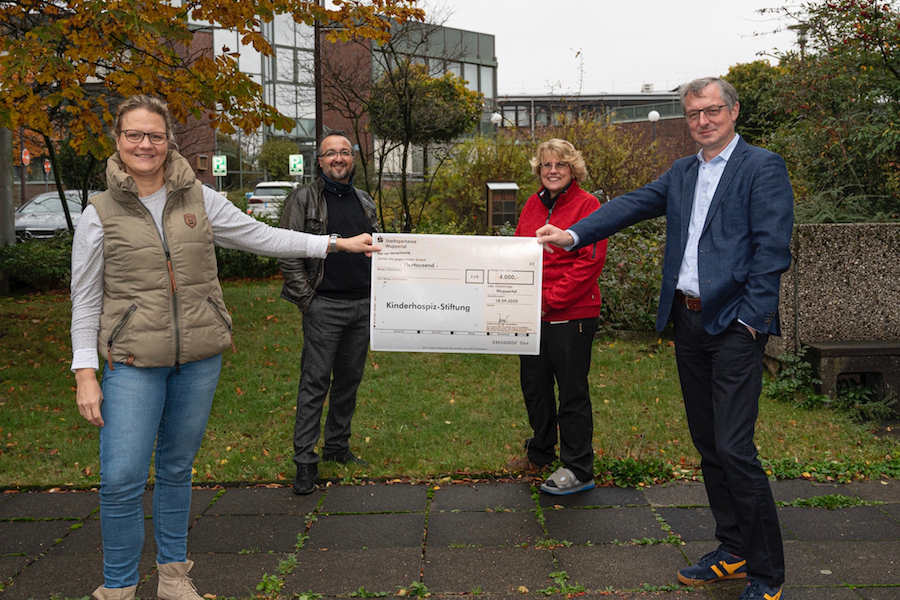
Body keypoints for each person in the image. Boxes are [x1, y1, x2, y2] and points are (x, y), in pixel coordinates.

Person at [71, 96, 378, 600]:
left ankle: (173, 578)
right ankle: (119, 588)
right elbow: (84, 300)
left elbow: (260, 236)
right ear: (119, 142)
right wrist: (86, 372)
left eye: (155, 135)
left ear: (169, 140)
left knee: (175, 469)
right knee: (122, 477)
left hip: (198, 359)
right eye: (134, 135)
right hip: (132, 363)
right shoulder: (98, 214)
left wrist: (332, 244)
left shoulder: (200, 199)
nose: (145, 145)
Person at [536, 78, 792, 600]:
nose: (703, 120)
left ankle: (766, 573)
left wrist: (752, 320)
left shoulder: (761, 167)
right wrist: (573, 234)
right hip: (689, 323)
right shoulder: (683, 171)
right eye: (694, 113)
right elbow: (630, 205)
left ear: (734, 111)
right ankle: (733, 549)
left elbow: (772, 251)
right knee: (708, 443)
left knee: (734, 447)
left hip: (735, 326)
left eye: (713, 110)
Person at [278, 132, 379, 495]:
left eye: (345, 153)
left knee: (349, 381)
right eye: (330, 153)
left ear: (353, 159)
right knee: (315, 383)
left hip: (362, 305)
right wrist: (308, 300)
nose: (339, 159)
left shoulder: (364, 200)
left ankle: (337, 446)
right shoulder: (302, 199)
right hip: (324, 306)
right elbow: (287, 250)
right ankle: (305, 460)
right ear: (318, 161)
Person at [506, 139, 606, 496]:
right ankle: (541, 452)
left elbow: (589, 263)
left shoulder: (588, 204)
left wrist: (548, 301)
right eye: (546, 165)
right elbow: (519, 252)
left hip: (572, 316)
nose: (552, 171)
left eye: (560, 165)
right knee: (535, 388)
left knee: (572, 393)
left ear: (572, 169)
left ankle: (578, 466)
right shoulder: (533, 204)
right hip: (531, 316)